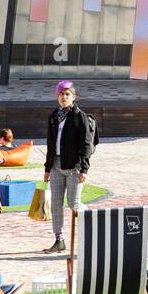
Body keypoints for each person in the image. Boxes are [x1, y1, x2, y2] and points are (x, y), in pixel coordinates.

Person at [42, 81, 95, 254]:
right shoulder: (53, 116)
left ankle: (95, 222)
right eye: (61, 94)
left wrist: (84, 169)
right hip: (56, 165)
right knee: (56, 205)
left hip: (74, 167)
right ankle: (59, 240)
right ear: (57, 96)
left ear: (73, 97)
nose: (64, 97)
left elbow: (86, 144)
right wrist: (47, 168)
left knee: (74, 203)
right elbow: (50, 143)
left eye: (67, 94)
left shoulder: (80, 117)